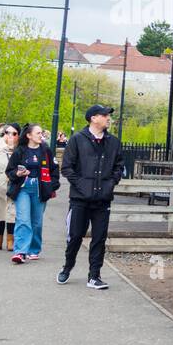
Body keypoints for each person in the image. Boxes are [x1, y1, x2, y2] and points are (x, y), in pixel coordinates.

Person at [58, 105, 124, 290]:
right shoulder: (78, 140)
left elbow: (119, 165)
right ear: (94, 118)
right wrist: (82, 186)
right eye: (105, 115)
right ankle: (67, 266)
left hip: (102, 199)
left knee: (99, 238)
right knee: (75, 236)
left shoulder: (113, 142)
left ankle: (94, 275)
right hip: (80, 199)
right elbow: (67, 168)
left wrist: (111, 183)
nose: (108, 118)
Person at [7, 123, 59, 264]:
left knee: (37, 222)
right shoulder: (20, 151)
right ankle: (20, 252)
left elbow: (54, 170)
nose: (41, 135)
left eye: (41, 133)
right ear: (29, 135)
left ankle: (34, 250)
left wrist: (51, 187)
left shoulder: (46, 150)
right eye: (38, 133)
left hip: (39, 188)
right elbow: (10, 171)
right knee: (23, 219)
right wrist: (18, 173)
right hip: (23, 188)